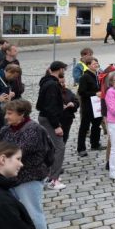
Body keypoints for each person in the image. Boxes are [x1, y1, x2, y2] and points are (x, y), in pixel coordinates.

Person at [0, 99, 51, 229]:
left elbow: (18, 152)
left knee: (33, 211)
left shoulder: (33, 129)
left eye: (10, 113)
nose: (6, 117)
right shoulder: (5, 130)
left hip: (29, 177)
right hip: (10, 178)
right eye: (6, 113)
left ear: (21, 114)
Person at [35, 61, 67, 191]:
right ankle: (53, 179)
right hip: (49, 119)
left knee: (53, 147)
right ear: (59, 70)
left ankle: (51, 175)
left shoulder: (46, 82)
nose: (64, 72)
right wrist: (56, 126)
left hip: (46, 117)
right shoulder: (52, 85)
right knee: (60, 147)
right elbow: (49, 107)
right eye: (63, 70)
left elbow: (40, 104)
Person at [0, 141, 37, 229]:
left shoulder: (4, 189)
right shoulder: (3, 201)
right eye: (18, 159)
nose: (21, 164)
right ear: (2, 159)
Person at [76, 56, 103, 156]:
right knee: (84, 127)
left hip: (97, 105)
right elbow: (81, 92)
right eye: (94, 64)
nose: (96, 65)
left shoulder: (98, 75)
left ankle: (95, 143)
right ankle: (81, 148)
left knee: (96, 125)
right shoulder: (85, 77)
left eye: (97, 63)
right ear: (88, 66)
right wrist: (94, 94)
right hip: (88, 106)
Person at [59, 75, 79, 145]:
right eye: (60, 82)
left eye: (63, 82)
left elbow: (76, 101)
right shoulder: (52, 92)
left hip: (67, 118)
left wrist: (73, 104)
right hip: (57, 119)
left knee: (65, 137)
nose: (62, 84)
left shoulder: (68, 91)